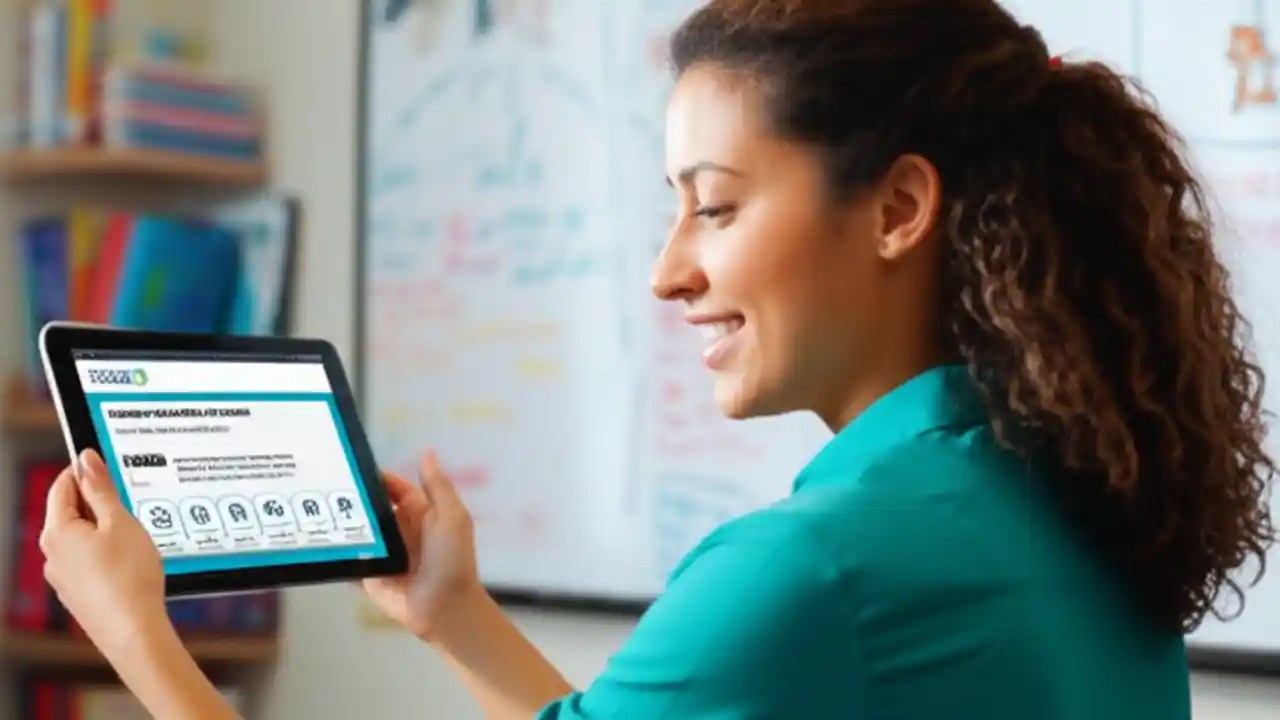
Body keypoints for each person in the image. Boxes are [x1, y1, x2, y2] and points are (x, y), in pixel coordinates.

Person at [37, 1, 1277, 718]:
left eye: (716, 206)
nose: (665, 269)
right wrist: (455, 619)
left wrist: (140, 636)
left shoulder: (814, 570)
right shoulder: (1071, 506)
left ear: (898, 208)